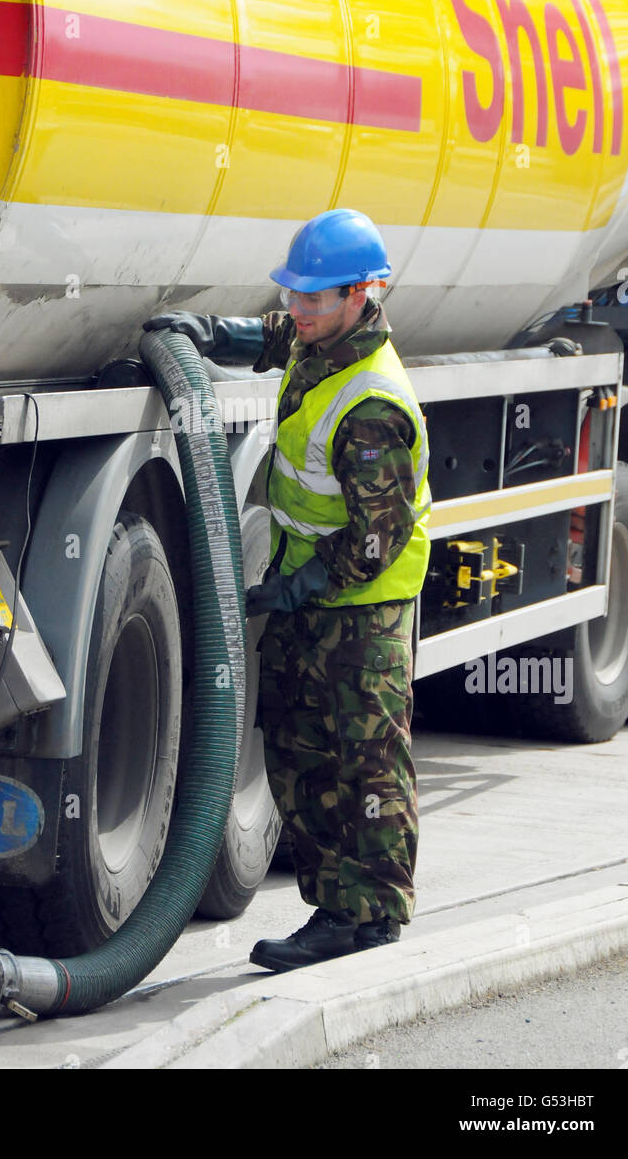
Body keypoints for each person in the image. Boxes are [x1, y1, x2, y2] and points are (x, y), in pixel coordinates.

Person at [144, 208, 430, 972]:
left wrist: (303, 584)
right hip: (316, 596)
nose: (299, 310)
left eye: (315, 297)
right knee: (300, 749)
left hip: (360, 607)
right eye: (294, 294)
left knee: (362, 759)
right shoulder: (323, 342)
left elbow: (377, 538)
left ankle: (365, 913)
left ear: (362, 294)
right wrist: (217, 335)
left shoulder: (371, 407)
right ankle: (332, 905)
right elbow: (281, 338)